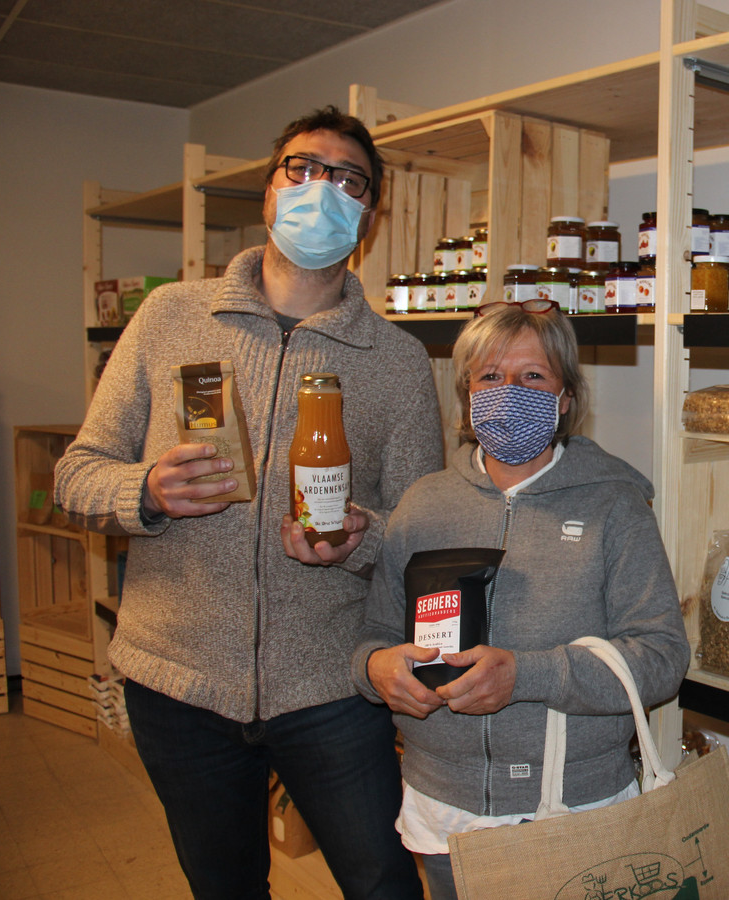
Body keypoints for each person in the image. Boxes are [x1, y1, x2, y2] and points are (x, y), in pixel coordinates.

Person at [54, 106, 440, 900]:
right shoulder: (170, 318)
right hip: (179, 683)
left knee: (384, 886)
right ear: (269, 189)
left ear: (368, 214)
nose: (319, 188)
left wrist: (361, 538)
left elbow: (419, 531)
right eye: (300, 168)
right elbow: (77, 475)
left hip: (330, 687)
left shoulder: (397, 362)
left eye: (346, 179)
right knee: (224, 887)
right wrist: (148, 491)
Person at [351, 301, 691, 900]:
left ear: (564, 398)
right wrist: (374, 668)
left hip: (574, 811)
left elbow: (662, 656)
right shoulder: (422, 506)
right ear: (466, 396)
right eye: (490, 376)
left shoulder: (614, 507)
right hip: (444, 813)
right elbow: (374, 636)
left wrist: (527, 675)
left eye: (533, 376)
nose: (509, 391)